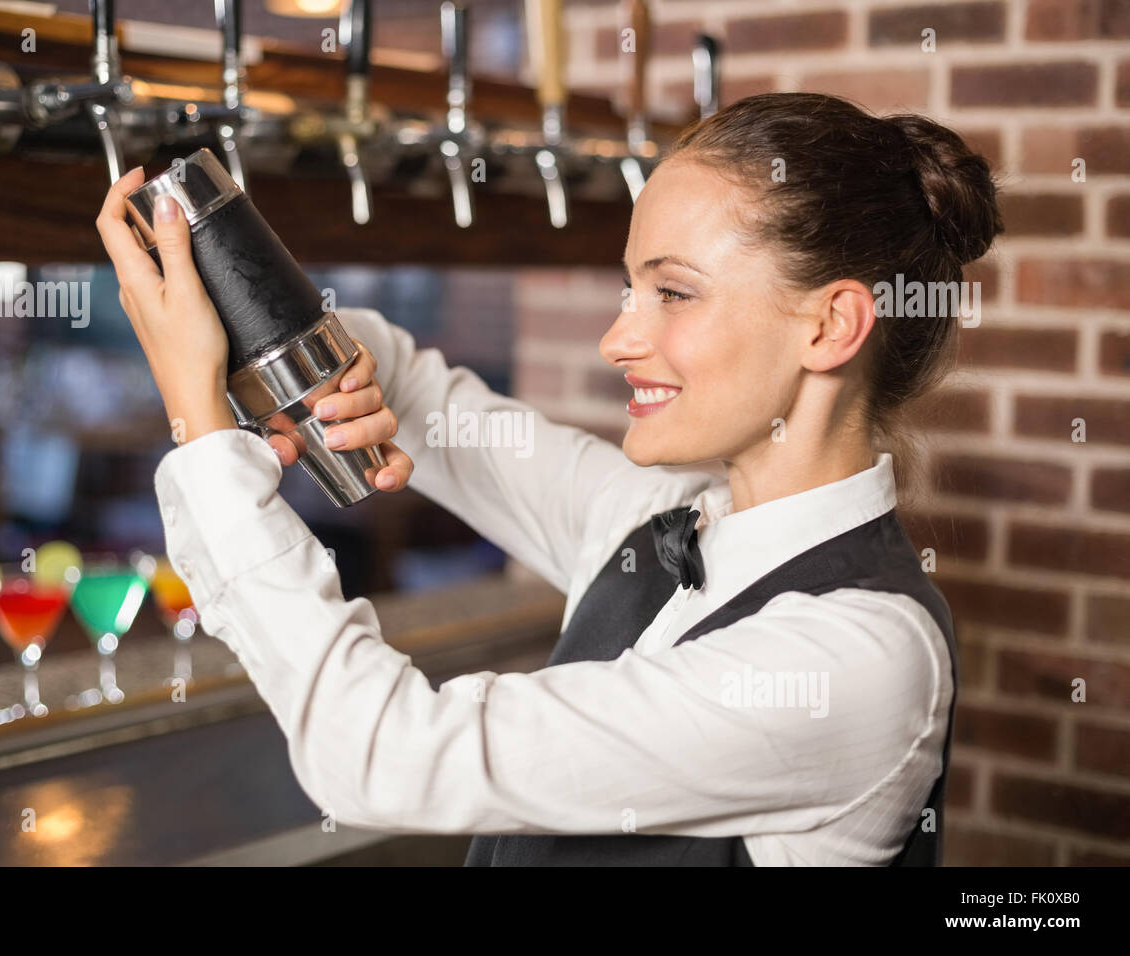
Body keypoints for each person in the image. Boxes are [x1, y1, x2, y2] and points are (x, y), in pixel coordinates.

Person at [95, 92, 1002, 866]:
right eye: (627, 291)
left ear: (831, 327)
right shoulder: (656, 518)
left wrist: (201, 425)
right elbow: (414, 384)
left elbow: (380, 756)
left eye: (673, 293)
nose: (619, 340)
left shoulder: (859, 659)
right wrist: (303, 349)